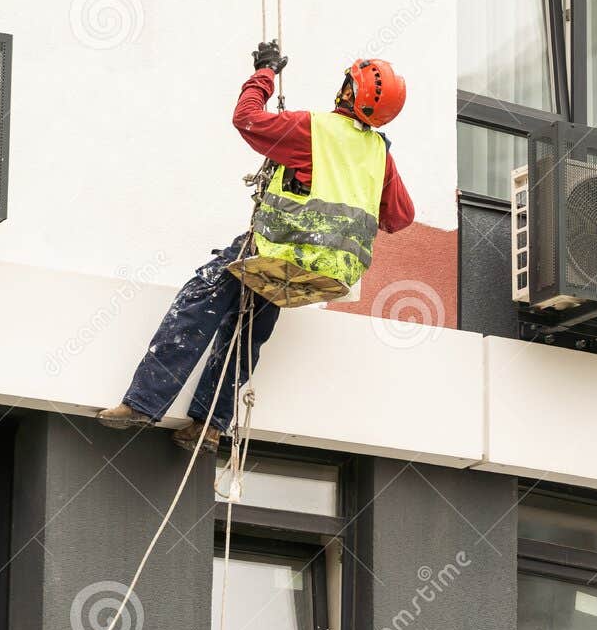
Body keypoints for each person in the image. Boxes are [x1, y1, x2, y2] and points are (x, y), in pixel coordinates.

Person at [97, 43, 414, 450]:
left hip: (275, 251)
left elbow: (246, 119)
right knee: (248, 331)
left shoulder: (313, 129)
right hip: (322, 275)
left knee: (200, 300)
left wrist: (265, 72)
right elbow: (399, 217)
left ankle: (143, 402)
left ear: (349, 92)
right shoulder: (378, 156)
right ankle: (211, 426)